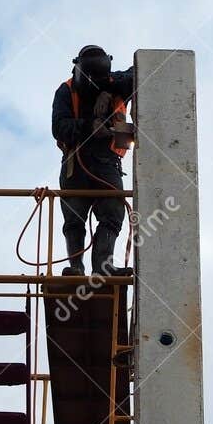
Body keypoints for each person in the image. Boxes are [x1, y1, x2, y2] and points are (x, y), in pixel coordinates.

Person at [52, 44, 134, 275]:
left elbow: (140, 71)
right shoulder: (66, 91)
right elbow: (59, 127)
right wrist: (90, 126)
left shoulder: (115, 83)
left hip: (107, 165)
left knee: (113, 214)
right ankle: (76, 268)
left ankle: (102, 269)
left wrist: (108, 90)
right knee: (74, 220)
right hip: (75, 166)